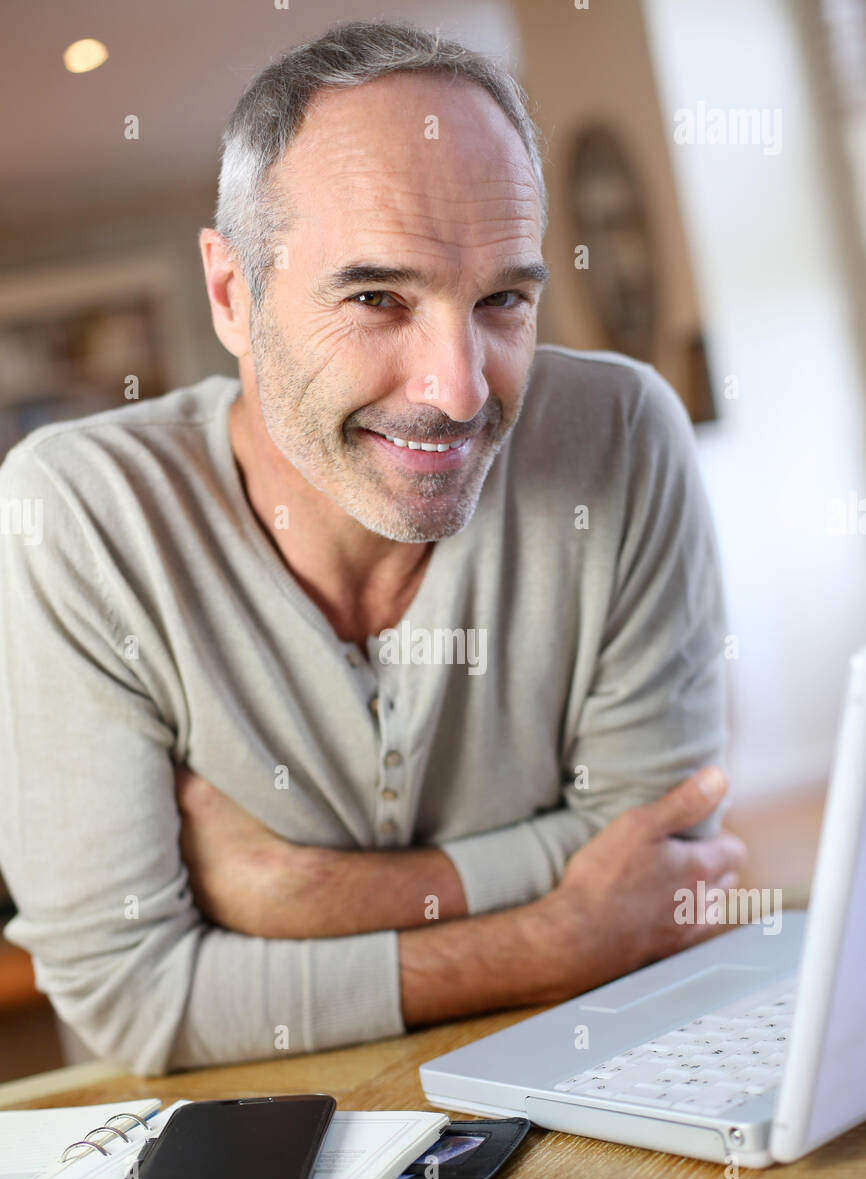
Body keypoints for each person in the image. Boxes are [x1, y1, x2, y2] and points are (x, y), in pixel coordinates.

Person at [0, 21, 744, 1076]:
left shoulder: (619, 437)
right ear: (232, 296)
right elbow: (128, 993)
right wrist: (552, 937)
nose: (458, 388)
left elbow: (664, 868)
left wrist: (288, 897)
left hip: (602, 1093)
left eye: (501, 301)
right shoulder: (80, 512)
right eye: (376, 298)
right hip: (239, 1168)